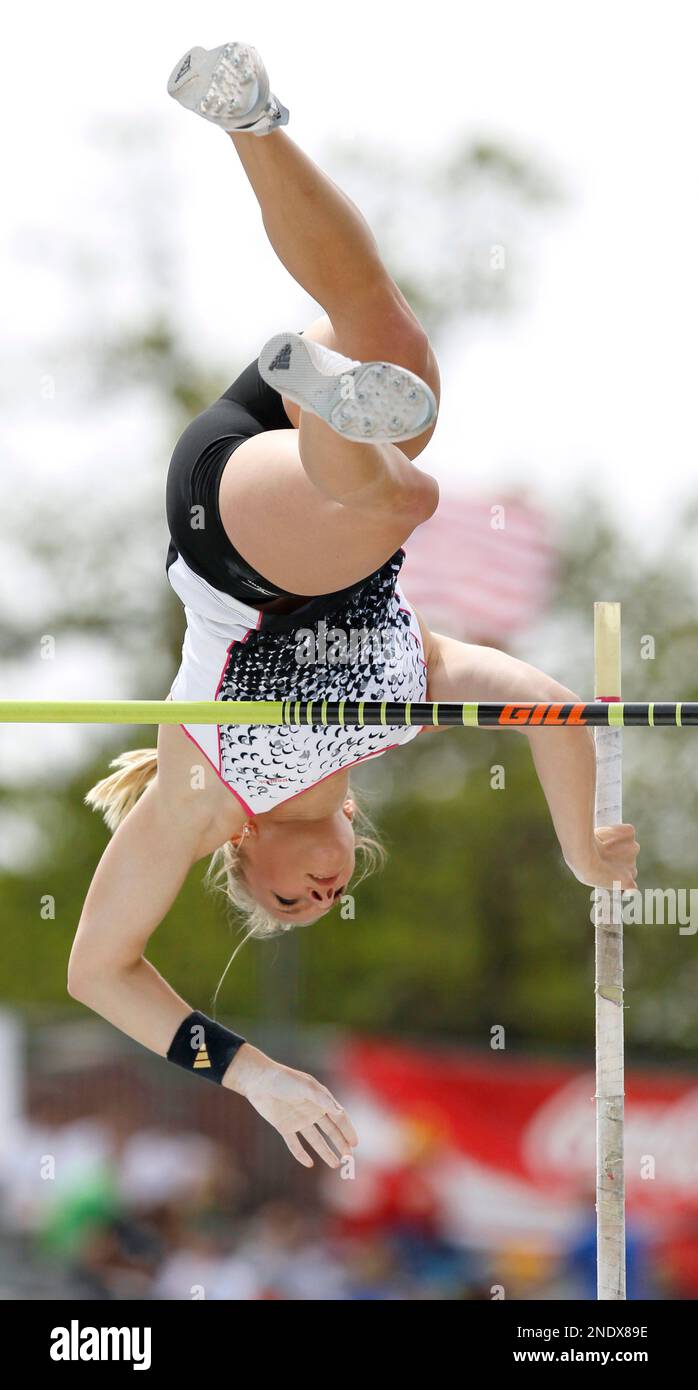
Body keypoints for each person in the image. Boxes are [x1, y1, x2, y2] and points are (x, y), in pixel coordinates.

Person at [69, 40, 639, 1171]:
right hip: (298, 482)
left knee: (393, 504)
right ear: (351, 841)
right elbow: (546, 705)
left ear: (246, 867)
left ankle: (348, 430)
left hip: (230, 534)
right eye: (329, 902)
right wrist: (581, 848)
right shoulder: (405, 692)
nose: (316, 898)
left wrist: (255, 1073)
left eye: (286, 906)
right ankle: (252, 119)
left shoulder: (206, 792)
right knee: (392, 336)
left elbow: (96, 968)